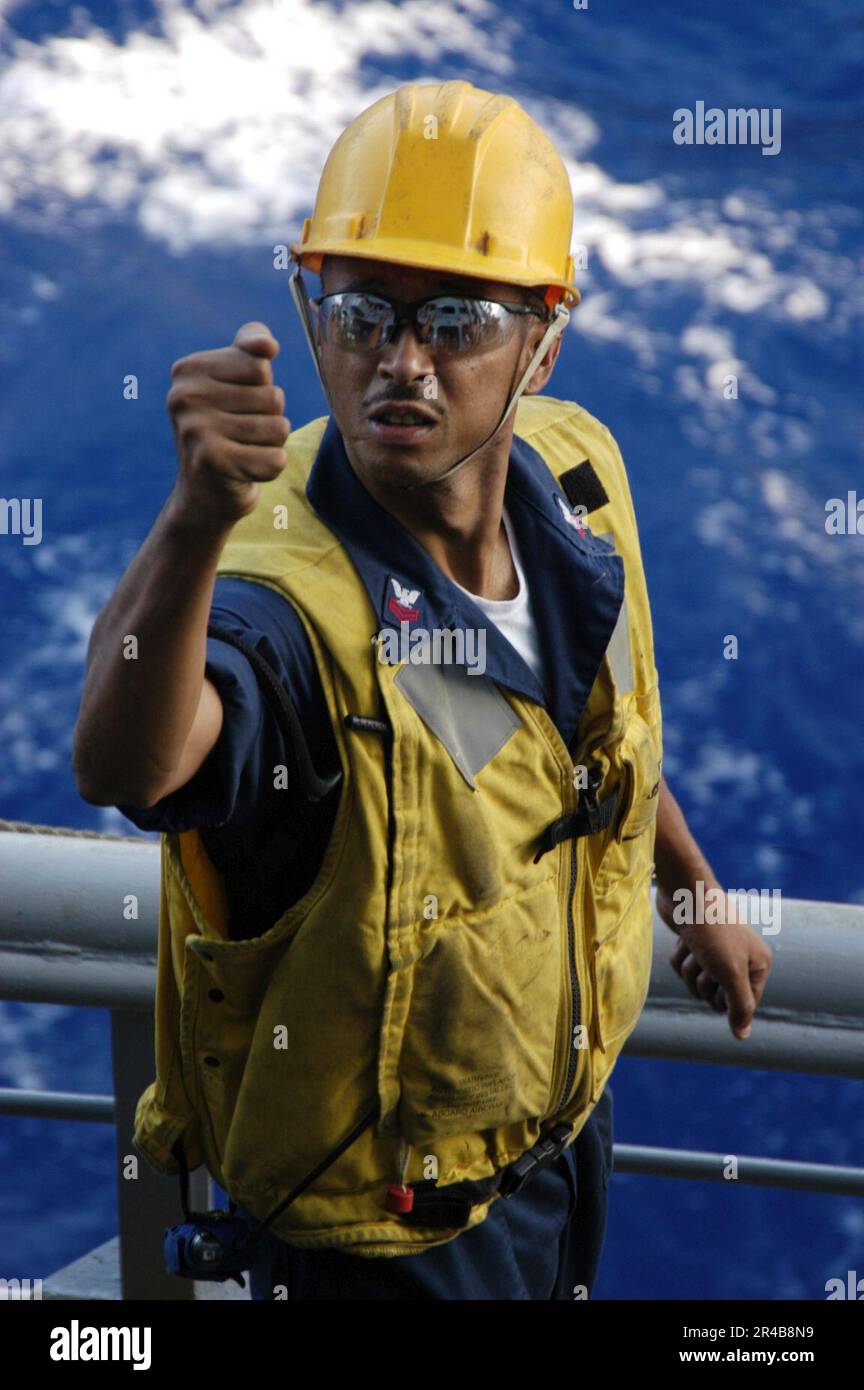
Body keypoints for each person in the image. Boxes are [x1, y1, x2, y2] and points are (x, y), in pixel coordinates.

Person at [73, 80, 772, 1301]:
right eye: (357, 314)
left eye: (453, 319)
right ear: (308, 310)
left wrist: (690, 887)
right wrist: (192, 525)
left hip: (556, 1148)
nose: (399, 362)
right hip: (385, 1247)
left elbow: (589, 737)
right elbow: (132, 763)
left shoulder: (578, 477)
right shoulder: (283, 606)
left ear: (544, 339)